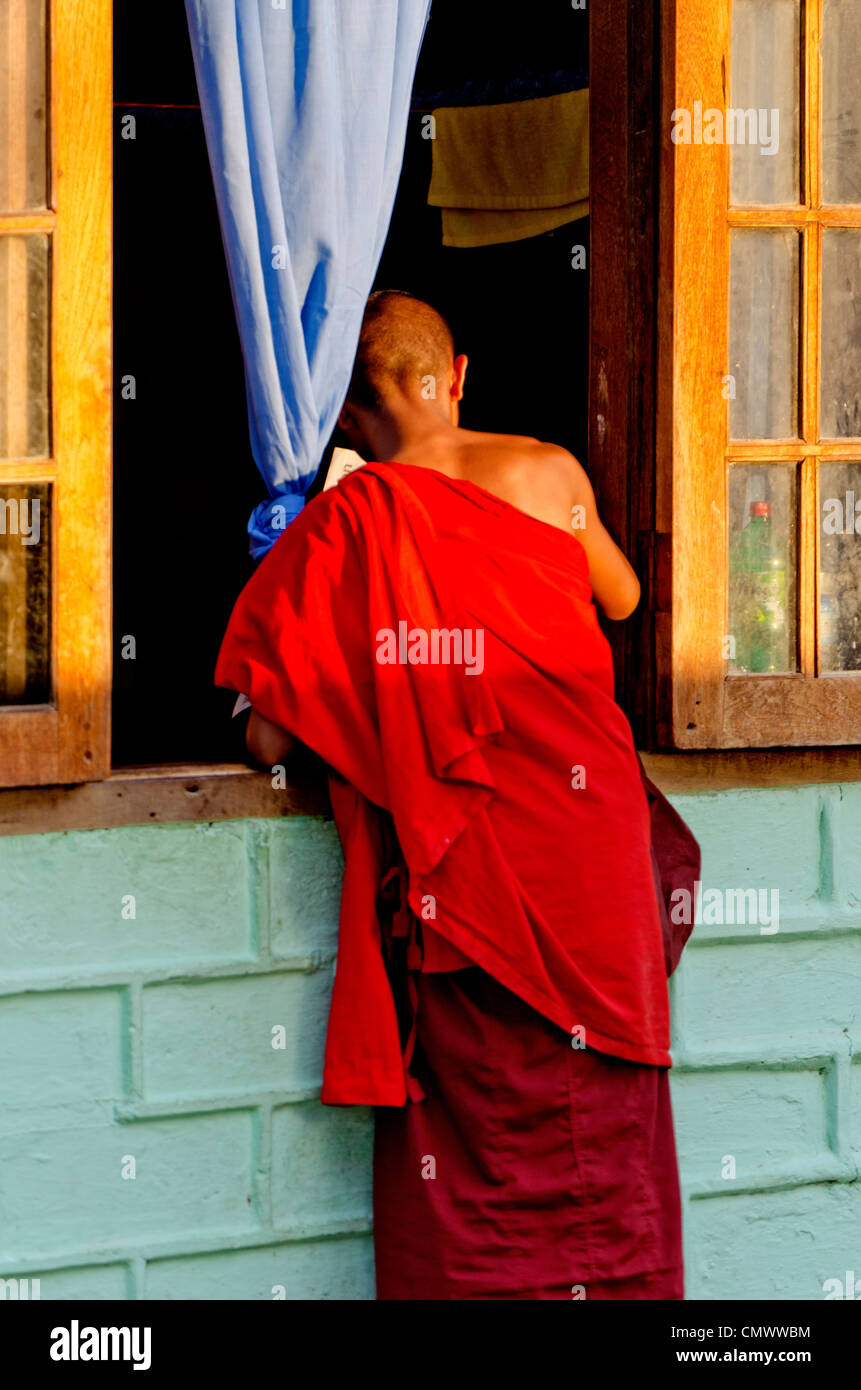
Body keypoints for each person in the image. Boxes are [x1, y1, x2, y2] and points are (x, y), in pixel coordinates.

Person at [216, 290, 697, 1300]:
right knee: (609, 1122)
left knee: (480, 1139)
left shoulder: (352, 520)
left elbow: (269, 727)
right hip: (596, 854)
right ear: (459, 374)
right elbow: (621, 597)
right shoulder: (548, 469)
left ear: (343, 414)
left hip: (474, 878)